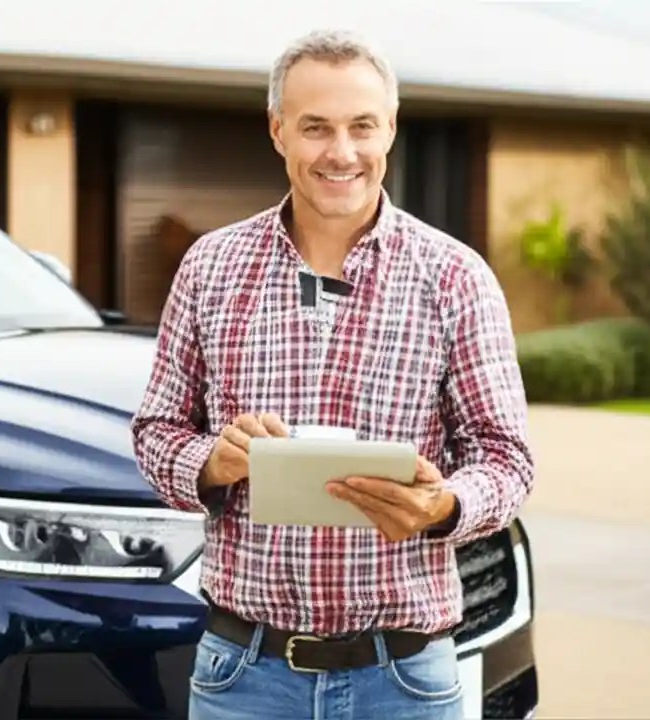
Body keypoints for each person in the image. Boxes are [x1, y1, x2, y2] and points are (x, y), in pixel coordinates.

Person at [130, 28, 535, 720]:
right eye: (316, 127)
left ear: (390, 131)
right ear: (278, 129)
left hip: (406, 681)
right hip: (244, 678)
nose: (341, 152)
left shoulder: (455, 278)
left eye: (361, 127)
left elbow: (507, 460)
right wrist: (211, 460)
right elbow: (156, 433)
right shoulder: (210, 268)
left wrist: (444, 507)